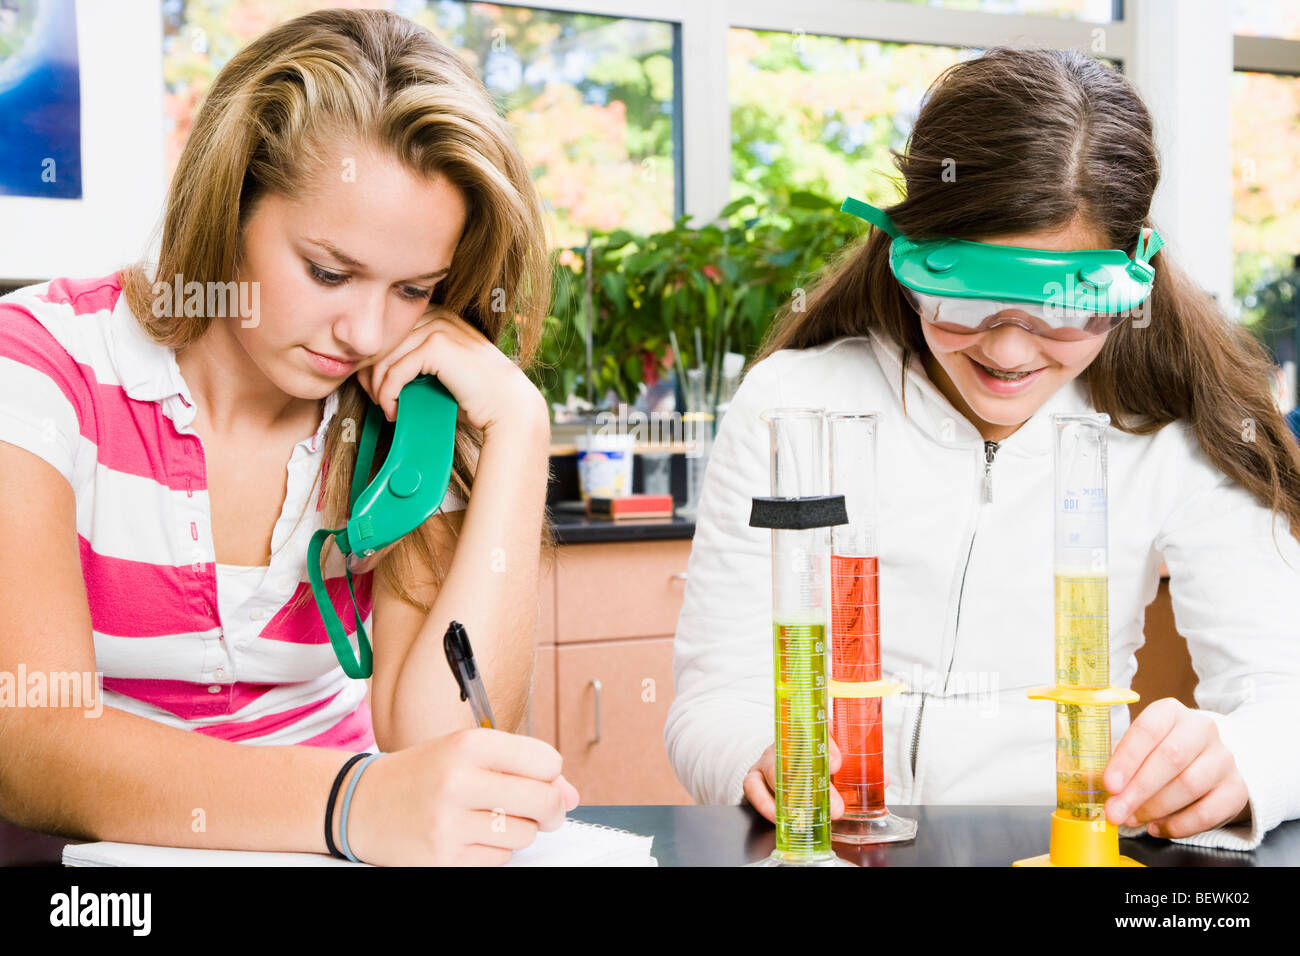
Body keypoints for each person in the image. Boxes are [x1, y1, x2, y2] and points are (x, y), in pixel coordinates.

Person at [666, 46, 1300, 851]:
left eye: (1063, 309)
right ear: (905, 250)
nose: (1006, 352)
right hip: (839, 847)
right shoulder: (795, 405)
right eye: (962, 301)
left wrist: (1242, 760)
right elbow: (714, 697)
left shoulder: (1177, 426)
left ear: (1132, 275)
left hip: (1065, 848)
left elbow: (1288, 698)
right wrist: (751, 756)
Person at [0, 8, 576, 866]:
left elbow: (432, 735)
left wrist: (520, 431)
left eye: (414, 289)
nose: (368, 332)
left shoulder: (404, 406)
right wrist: (356, 800)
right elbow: (34, 742)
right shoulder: (41, 365)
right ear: (228, 205)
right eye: (329, 272)